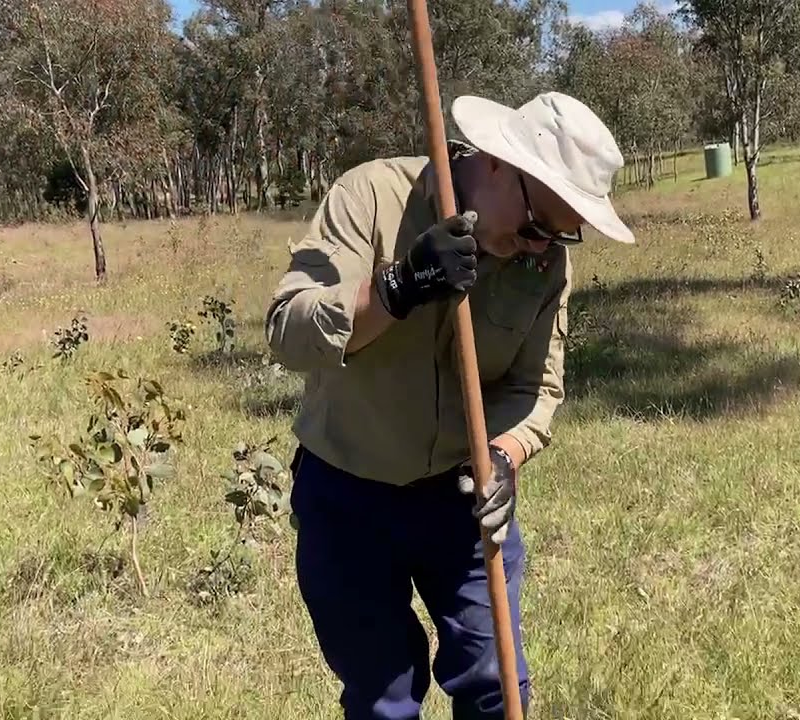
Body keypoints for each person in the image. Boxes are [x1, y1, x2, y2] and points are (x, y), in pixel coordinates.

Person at [264, 91, 634, 720]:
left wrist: (505, 454)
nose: (542, 249)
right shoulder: (372, 197)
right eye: (538, 223)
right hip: (347, 497)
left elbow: (535, 389)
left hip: (463, 500)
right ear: (495, 162)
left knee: (497, 687)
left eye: (562, 232)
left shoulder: (544, 263)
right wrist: (394, 289)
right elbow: (286, 332)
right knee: (384, 700)